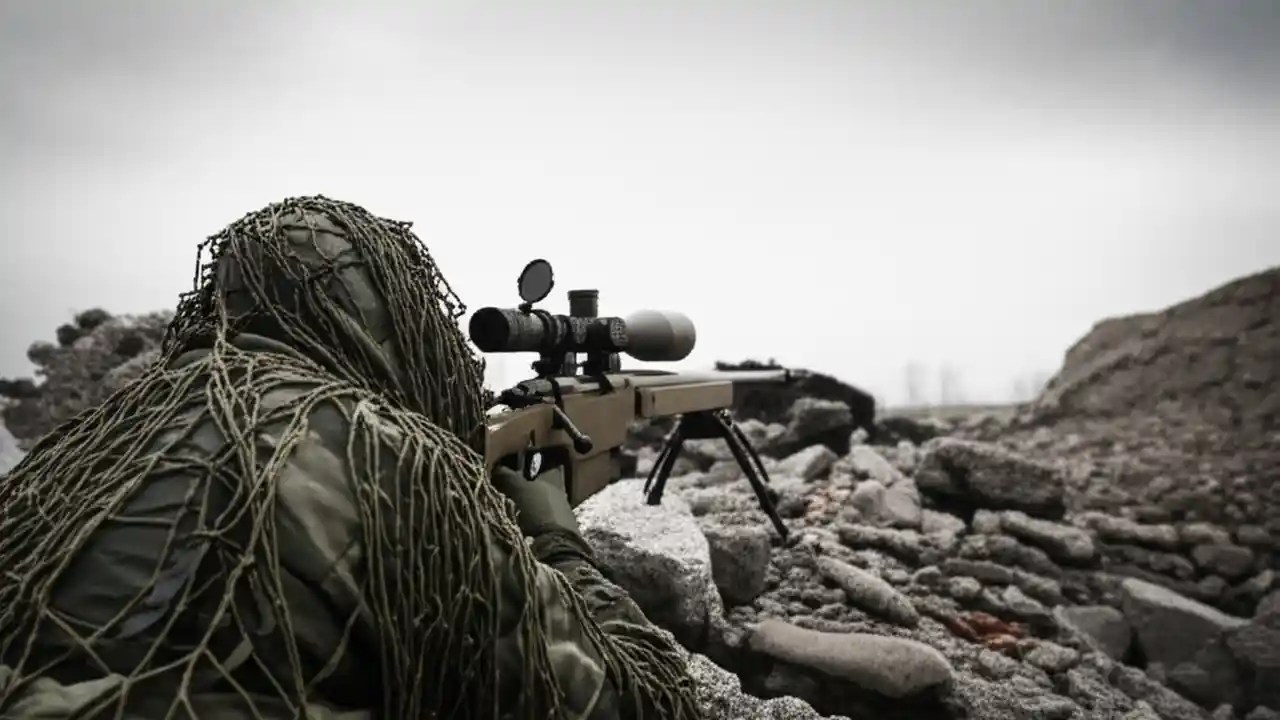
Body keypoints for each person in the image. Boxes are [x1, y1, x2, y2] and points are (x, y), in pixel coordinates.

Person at [0, 196, 703, 719]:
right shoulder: (389, 464)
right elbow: (634, 701)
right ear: (390, 319)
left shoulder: (85, 447)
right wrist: (557, 543)